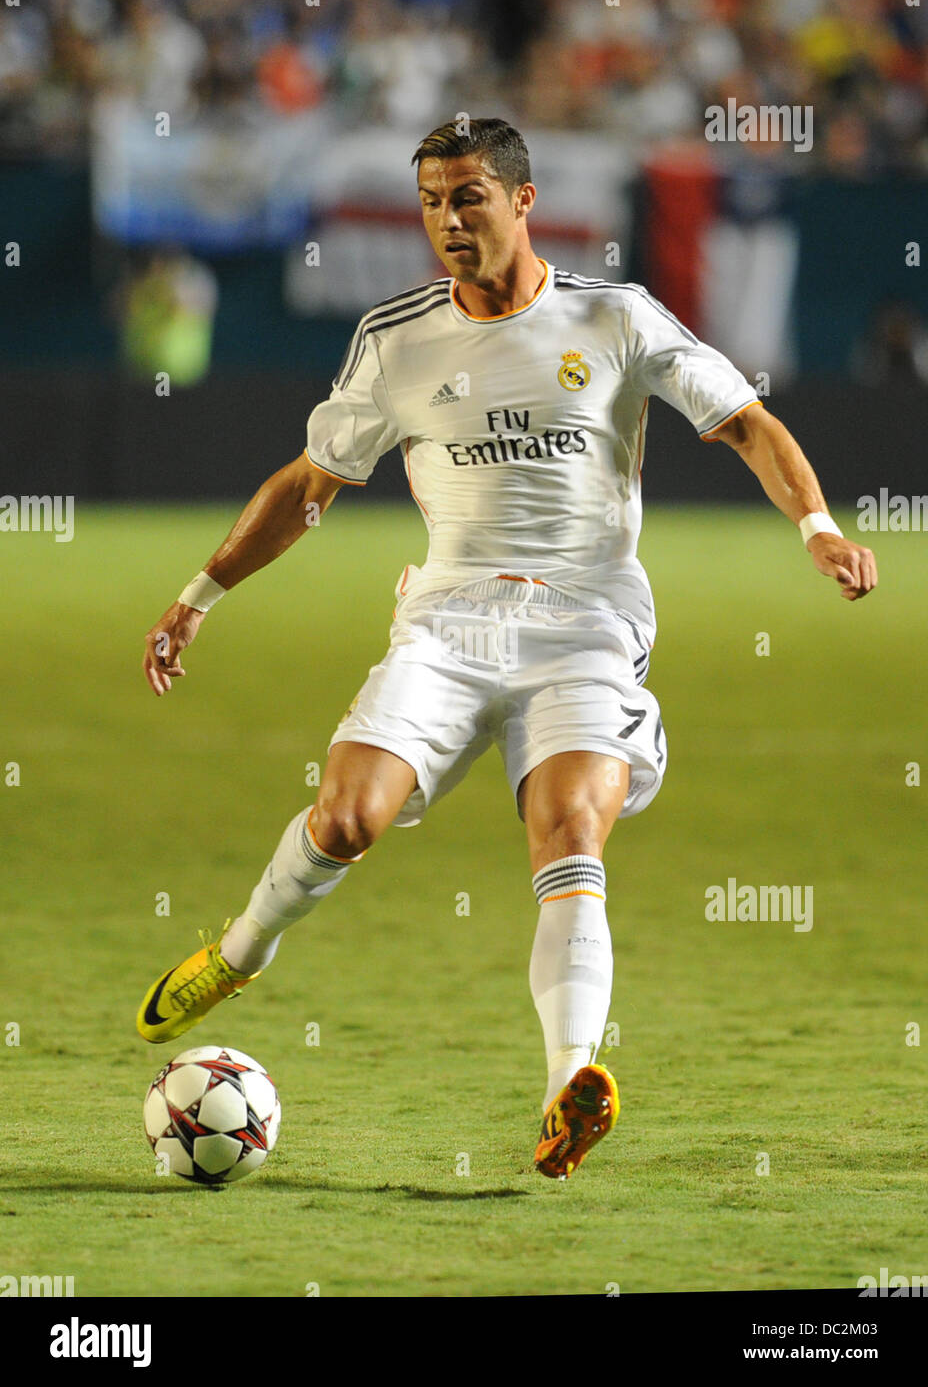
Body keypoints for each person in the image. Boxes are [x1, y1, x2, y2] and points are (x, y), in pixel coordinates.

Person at [137, 119, 877, 1181]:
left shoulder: (614, 318)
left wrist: (819, 530)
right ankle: (242, 949)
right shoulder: (396, 338)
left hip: (585, 625)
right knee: (346, 817)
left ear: (523, 202)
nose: (448, 219)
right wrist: (198, 595)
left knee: (569, 826)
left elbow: (748, 422)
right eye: (433, 200)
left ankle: (566, 1084)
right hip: (448, 625)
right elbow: (308, 488)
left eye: (469, 196)